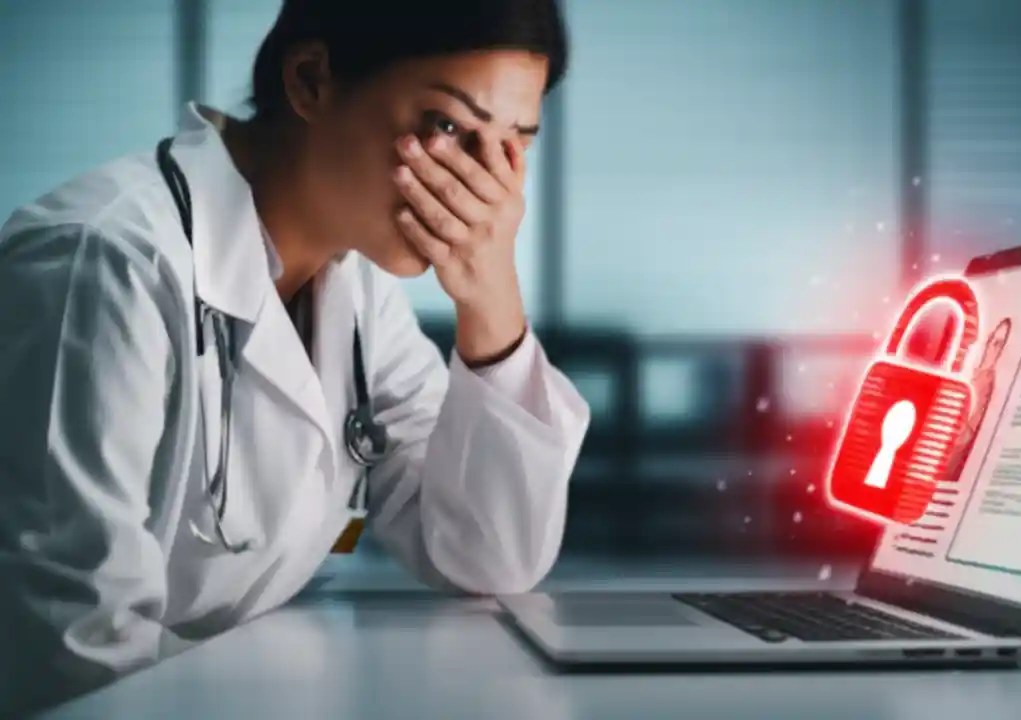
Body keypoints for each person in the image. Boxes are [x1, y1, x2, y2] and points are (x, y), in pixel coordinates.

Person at [0, 0, 587, 712]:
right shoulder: (105, 260)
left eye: (511, 145)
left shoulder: (356, 285)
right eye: (448, 128)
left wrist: (491, 297)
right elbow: (71, 652)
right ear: (311, 80)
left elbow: (489, 557)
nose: (480, 190)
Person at [942, 318, 1013, 483]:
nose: (993, 346)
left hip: (950, 455)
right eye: (993, 340)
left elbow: (969, 430)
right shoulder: (969, 371)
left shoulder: (989, 383)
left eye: (1000, 343)